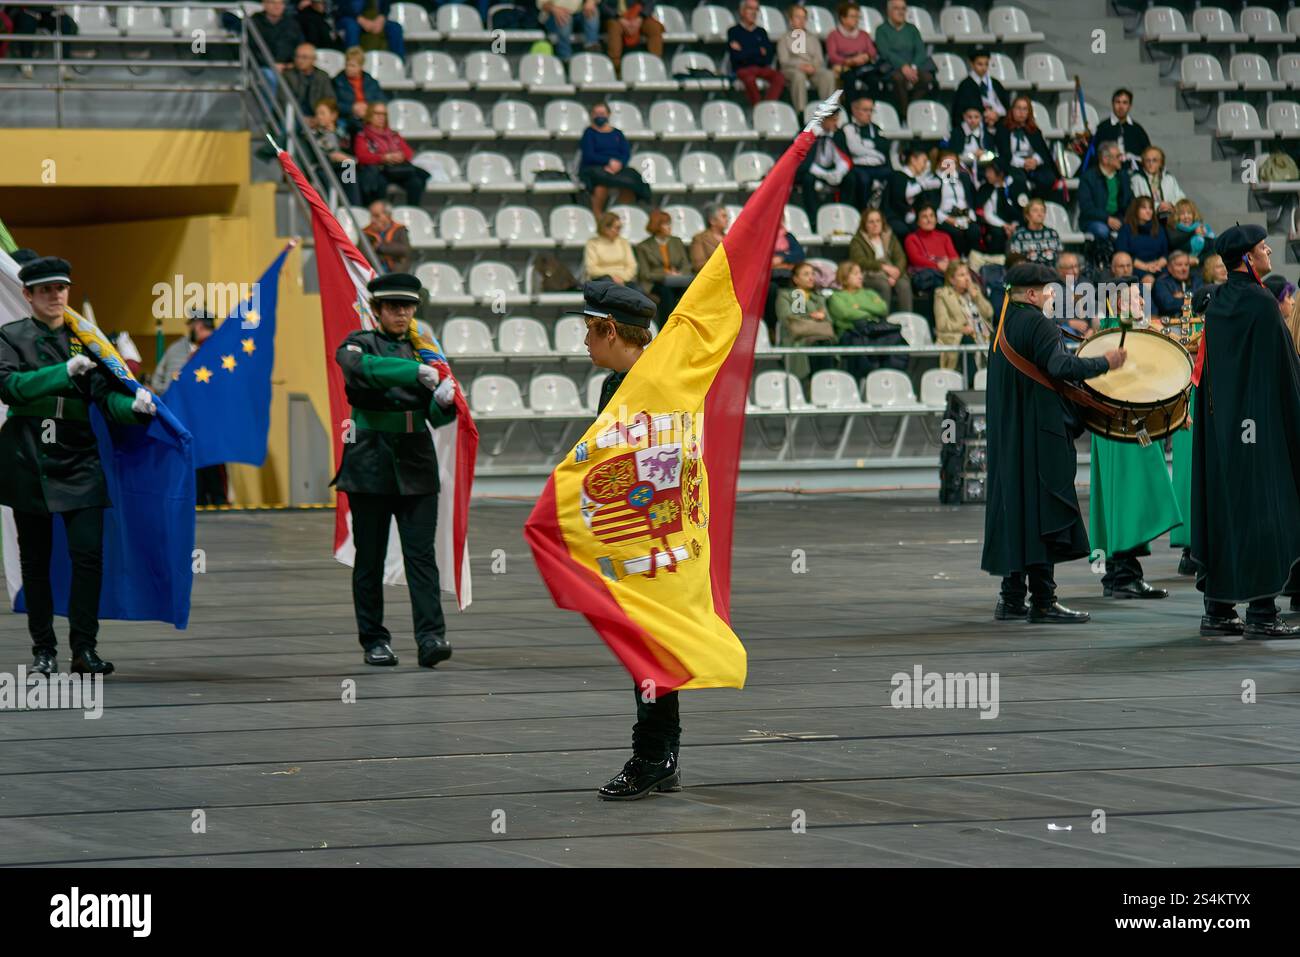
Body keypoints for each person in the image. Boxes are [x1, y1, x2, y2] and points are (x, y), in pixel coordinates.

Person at [0, 257, 159, 677]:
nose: (55, 296)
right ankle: (43, 650)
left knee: (88, 557)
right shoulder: (9, 337)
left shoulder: (87, 340)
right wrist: (61, 372)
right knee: (35, 559)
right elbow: (11, 387)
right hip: (29, 455)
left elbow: (107, 400)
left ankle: (83, 649)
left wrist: (135, 408)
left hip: (78, 455)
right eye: (46, 289)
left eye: (61, 288)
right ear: (28, 294)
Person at [575, 280, 684, 800]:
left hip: (654, 536)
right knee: (646, 648)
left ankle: (652, 756)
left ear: (611, 329)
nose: (584, 342)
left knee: (649, 649)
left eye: (589, 331)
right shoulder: (619, 381)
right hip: (633, 535)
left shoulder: (651, 384)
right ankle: (663, 755)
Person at [981, 261, 1127, 623]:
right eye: (1048, 291)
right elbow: (1060, 368)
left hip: (1013, 435)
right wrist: (1105, 362)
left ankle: (1012, 597)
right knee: (1044, 510)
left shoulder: (1006, 322)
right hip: (1040, 433)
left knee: (1018, 510)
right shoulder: (1037, 322)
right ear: (1031, 294)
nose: (1052, 296)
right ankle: (1043, 601)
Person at [333, 271, 460, 666]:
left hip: (416, 460)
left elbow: (436, 419)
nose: (401, 313)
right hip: (369, 460)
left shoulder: (425, 350)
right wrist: (414, 374)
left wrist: (444, 400)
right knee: (369, 557)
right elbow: (360, 371)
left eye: (407, 307)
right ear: (376, 310)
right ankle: (374, 639)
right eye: (393, 307)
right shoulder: (358, 344)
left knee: (421, 557)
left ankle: (431, 638)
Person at [1190, 225, 1300, 637]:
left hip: (1224, 433)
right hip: (1260, 431)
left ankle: (1217, 611)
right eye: (1262, 247)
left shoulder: (1217, 302)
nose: (1270, 250)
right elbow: (1285, 371)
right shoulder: (1260, 303)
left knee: (1225, 512)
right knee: (1266, 515)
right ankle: (1262, 613)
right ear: (1249, 259)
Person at [1088, 280, 1180, 600]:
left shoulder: (1113, 334)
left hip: (1120, 426)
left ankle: (1120, 573)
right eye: (1136, 300)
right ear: (1117, 303)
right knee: (1131, 496)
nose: (1142, 305)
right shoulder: (1120, 338)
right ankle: (1123, 574)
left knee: (1121, 498)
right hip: (1126, 426)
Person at [827, 260, 903, 375]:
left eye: (860, 273)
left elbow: (882, 309)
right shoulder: (836, 297)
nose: (860, 276)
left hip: (875, 331)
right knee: (858, 342)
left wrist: (859, 307)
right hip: (852, 333)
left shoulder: (870, 293)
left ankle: (890, 376)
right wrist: (870, 312)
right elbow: (845, 313)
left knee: (895, 338)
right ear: (845, 277)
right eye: (856, 274)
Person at [577, 101, 650, 215]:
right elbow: (589, 155)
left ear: (608, 114)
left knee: (630, 185)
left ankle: (621, 215)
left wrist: (619, 164)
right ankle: (600, 220)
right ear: (591, 115)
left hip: (616, 168)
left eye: (602, 113)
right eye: (596, 113)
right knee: (601, 188)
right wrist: (608, 162)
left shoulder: (617, 134)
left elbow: (625, 153)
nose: (599, 116)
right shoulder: (589, 133)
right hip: (594, 168)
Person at [353, 101, 429, 205]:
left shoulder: (393, 134)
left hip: (397, 169)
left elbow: (408, 152)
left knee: (416, 182)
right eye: (377, 114)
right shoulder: (363, 135)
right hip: (379, 171)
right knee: (379, 183)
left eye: (384, 114)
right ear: (370, 115)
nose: (381, 117)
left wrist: (400, 156)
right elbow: (361, 156)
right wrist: (383, 158)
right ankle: (381, 214)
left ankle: (413, 212)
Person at [775, 261, 837, 378]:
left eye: (813, 274)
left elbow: (828, 320)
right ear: (795, 279)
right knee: (816, 345)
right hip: (796, 339)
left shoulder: (818, 297)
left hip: (821, 338)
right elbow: (787, 319)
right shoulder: (787, 295)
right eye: (806, 274)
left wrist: (814, 317)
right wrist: (813, 316)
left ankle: (824, 384)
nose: (811, 277)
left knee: (824, 344)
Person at [848, 207, 913, 313]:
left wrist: (896, 273)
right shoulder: (857, 240)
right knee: (883, 285)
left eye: (878, 221)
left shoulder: (890, 236)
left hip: (892, 271)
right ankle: (883, 322)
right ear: (865, 224)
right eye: (871, 222)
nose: (875, 224)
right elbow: (860, 261)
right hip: (870, 273)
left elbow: (900, 257)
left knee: (904, 284)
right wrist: (883, 267)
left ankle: (906, 319)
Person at [994, 96, 1059, 202]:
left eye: (1025, 109)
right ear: (1012, 110)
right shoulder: (1003, 129)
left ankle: (1037, 204)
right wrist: (1023, 163)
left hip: (1033, 165)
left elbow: (1042, 151)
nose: (1021, 112)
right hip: (1013, 166)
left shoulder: (1033, 130)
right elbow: (1004, 154)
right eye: (1018, 108)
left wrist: (1035, 160)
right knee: (1019, 181)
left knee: (1048, 178)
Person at [873, 0, 934, 111]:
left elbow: (920, 50)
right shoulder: (881, 30)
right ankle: (904, 113)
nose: (901, 12)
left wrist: (914, 67)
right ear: (889, 11)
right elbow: (885, 52)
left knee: (927, 78)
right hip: (892, 67)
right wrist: (903, 66)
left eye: (903, 8)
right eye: (897, 8)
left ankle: (913, 109)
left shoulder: (912, 29)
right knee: (898, 79)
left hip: (913, 66)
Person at [834, 96, 893, 208]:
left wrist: (865, 147)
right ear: (855, 110)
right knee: (863, 179)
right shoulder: (847, 129)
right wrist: (873, 149)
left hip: (878, 166)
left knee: (894, 176)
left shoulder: (876, 129)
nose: (869, 114)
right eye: (865, 110)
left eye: (871, 110)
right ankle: (863, 211)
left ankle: (885, 212)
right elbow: (853, 149)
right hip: (858, 167)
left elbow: (884, 146)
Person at [633, 209, 691, 321]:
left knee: (688, 289)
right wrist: (665, 274)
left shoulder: (676, 241)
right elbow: (645, 274)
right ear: (657, 226)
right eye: (666, 224)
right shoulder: (644, 246)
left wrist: (680, 274)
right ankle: (667, 324)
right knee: (666, 292)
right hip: (655, 283)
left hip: (677, 280)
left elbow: (686, 265)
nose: (670, 227)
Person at [777, 4, 836, 113]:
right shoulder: (784, 38)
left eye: (804, 17)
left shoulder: (813, 38)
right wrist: (799, 66)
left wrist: (813, 67)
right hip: (792, 69)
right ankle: (801, 112)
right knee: (799, 76)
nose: (801, 20)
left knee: (828, 75)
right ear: (791, 19)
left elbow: (819, 59)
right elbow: (783, 61)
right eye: (797, 17)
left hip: (811, 68)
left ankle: (828, 112)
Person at [933, 260, 992, 370]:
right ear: (952, 280)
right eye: (961, 275)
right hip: (957, 337)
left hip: (982, 333)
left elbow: (989, 313)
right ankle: (970, 382)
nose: (967, 278)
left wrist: (977, 297)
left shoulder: (974, 290)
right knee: (968, 340)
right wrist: (962, 328)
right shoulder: (942, 295)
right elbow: (942, 324)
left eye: (967, 274)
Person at [794, 110, 849, 222]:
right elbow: (802, 161)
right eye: (833, 120)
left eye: (837, 119)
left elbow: (843, 157)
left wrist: (839, 172)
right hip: (812, 171)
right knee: (808, 179)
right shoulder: (807, 132)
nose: (836, 124)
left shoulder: (838, 134)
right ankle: (813, 218)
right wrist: (825, 175)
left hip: (830, 170)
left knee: (851, 178)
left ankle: (845, 214)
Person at [728, 0, 785, 107]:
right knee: (749, 78)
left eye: (756, 9)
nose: (754, 12)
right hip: (743, 69)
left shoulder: (761, 32)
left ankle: (766, 107)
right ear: (742, 11)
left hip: (761, 68)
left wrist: (745, 50)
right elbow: (737, 58)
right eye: (750, 8)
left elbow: (767, 58)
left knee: (779, 77)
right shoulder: (733, 31)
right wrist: (758, 51)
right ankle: (758, 108)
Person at [1078, 141, 1133, 243]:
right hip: (1094, 220)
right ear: (1105, 159)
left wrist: (1125, 219)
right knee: (1102, 230)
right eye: (1118, 156)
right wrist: (1107, 218)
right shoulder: (1088, 178)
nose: (1122, 159)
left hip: (1119, 219)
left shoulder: (1123, 176)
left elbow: (1130, 201)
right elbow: (1087, 208)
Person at [824, 1, 879, 102]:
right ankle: (850, 111)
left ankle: (871, 108)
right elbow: (832, 56)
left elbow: (872, 52)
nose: (856, 20)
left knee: (873, 80)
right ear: (843, 18)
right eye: (853, 16)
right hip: (844, 67)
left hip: (862, 66)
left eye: (857, 17)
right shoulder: (833, 35)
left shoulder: (863, 34)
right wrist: (850, 60)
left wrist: (866, 56)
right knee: (849, 79)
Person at [310, 97, 362, 205]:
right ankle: (332, 208)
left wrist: (346, 158)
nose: (319, 117)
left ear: (333, 115)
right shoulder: (313, 134)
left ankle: (353, 207)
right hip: (323, 166)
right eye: (317, 114)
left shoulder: (343, 132)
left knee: (349, 167)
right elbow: (315, 155)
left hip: (342, 165)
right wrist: (331, 157)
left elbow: (350, 152)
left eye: (323, 113)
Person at [883, 144, 940, 238]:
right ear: (913, 160)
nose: (925, 166)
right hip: (894, 216)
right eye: (924, 161)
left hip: (911, 218)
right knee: (904, 231)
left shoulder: (917, 180)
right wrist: (907, 212)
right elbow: (896, 200)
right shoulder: (898, 176)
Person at [332, 45, 387, 138]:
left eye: (353, 66)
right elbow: (333, 104)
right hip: (347, 118)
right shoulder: (337, 82)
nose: (348, 68)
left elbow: (382, 100)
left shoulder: (371, 82)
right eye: (347, 65)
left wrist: (367, 108)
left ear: (361, 67)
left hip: (369, 117)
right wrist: (352, 108)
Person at [975, 159, 1028, 254]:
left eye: (990, 172)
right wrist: (1004, 225)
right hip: (997, 223)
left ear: (1000, 173)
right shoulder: (986, 188)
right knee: (997, 234)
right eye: (986, 171)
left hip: (1017, 222)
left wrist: (1015, 225)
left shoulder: (1017, 185)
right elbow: (988, 213)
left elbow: (1024, 209)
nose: (987, 175)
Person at [1092, 88, 1150, 174]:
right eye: (1118, 102)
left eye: (1125, 103)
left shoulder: (1137, 130)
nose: (1121, 106)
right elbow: (1094, 154)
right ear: (1112, 104)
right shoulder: (1102, 128)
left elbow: (1147, 153)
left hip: (1134, 174)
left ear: (1130, 106)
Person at [932, 150, 978, 255]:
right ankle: (956, 262)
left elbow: (969, 199)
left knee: (974, 231)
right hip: (945, 217)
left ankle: (971, 261)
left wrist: (969, 217)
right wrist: (949, 219)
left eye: (954, 163)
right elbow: (933, 206)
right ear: (940, 163)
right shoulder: (934, 180)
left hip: (964, 216)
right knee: (955, 233)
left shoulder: (963, 177)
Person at [951, 48, 1007, 130]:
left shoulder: (995, 83)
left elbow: (1006, 105)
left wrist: (996, 114)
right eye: (980, 64)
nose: (984, 68)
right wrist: (985, 115)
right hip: (975, 126)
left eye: (986, 64)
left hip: (998, 123)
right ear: (972, 64)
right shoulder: (965, 86)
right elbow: (959, 113)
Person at [903, 205, 957, 289]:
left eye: (932, 216)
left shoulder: (944, 237)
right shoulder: (911, 239)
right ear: (918, 222)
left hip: (947, 272)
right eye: (924, 217)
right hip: (928, 276)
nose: (929, 220)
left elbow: (954, 258)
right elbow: (916, 260)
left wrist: (947, 266)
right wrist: (937, 265)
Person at [1116, 197, 1169, 280]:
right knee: (1148, 279)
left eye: (1151, 208)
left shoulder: (1159, 229)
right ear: (1136, 210)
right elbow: (1123, 254)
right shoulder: (1126, 229)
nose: (1148, 211)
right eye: (1144, 208)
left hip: (1157, 267)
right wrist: (1146, 266)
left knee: (1167, 277)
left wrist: (1157, 265)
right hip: (1136, 267)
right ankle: (1142, 293)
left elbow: (1166, 254)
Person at [601, 2, 663, 72]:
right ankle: (616, 68)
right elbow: (603, 6)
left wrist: (640, 18)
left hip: (639, 17)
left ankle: (655, 65)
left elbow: (649, 3)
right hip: (614, 18)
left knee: (654, 27)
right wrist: (619, 18)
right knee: (614, 28)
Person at [336, 0, 405, 60]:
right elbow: (343, 6)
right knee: (352, 27)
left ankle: (399, 64)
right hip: (351, 17)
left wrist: (381, 18)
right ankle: (353, 62)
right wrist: (361, 20)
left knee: (395, 28)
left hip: (375, 18)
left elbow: (386, 5)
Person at [1130, 146, 1184, 221]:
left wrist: (1170, 204)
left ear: (1161, 163)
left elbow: (1181, 197)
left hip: (1170, 216)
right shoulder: (1137, 179)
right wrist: (1159, 207)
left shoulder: (1169, 178)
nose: (1151, 163)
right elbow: (1138, 201)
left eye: (1154, 160)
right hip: (1148, 219)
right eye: (1147, 160)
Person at [584, 211, 638, 284]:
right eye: (617, 228)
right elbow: (591, 268)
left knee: (639, 291)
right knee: (610, 286)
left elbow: (632, 265)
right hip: (602, 279)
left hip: (624, 279)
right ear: (605, 228)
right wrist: (612, 276)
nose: (619, 231)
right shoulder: (592, 243)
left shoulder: (623, 242)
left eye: (620, 227)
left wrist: (623, 278)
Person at [284, 43, 335, 119]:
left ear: (313, 59)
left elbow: (330, 99)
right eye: (297, 57)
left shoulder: (323, 76)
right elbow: (283, 101)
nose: (299, 60)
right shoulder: (288, 76)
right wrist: (301, 119)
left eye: (304, 57)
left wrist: (319, 118)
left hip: (318, 117)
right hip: (295, 118)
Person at [1007, 197, 1062, 268]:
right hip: (1028, 274)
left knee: (1070, 267)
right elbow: (1015, 261)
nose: (1040, 214)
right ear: (1027, 216)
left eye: (1042, 211)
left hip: (1051, 273)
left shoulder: (1053, 234)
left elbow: (1061, 256)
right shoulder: (1019, 235)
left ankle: (1071, 280)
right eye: (1035, 211)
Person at [251, 0, 305, 70]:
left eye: (281, 3)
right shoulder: (254, 23)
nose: (277, 6)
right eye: (273, 3)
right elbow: (252, 49)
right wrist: (271, 65)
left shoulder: (292, 24)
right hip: (262, 67)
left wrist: (290, 65)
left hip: (289, 66)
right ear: (264, 4)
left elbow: (301, 46)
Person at [363, 199, 413, 274]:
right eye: (371, 216)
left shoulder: (399, 229)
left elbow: (404, 250)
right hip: (373, 275)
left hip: (396, 274)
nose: (372, 220)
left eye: (377, 216)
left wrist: (380, 247)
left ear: (388, 216)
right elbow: (364, 254)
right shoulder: (365, 232)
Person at [1152, 250, 1202, 318]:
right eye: (1179, 265)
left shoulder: (1196, 280)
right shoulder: (1161, 283)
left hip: (1195, 322)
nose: (1184, 268)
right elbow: (1168, 305)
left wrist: (1181, 297)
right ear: (1169, 268)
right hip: (1171, 324)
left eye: (1186, 265)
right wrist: (1190, 299)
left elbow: (1201, 301)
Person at [1167, 198, 1214, 264]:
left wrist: (1197, 260)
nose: (1186, 216)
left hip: (1201, 264)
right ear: (1177, 216)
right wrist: (1193, 232)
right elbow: (1175, 245)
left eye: (1189, 213)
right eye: (1182, 214)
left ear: (1194, 214)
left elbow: (1214, 249)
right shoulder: (1173, 230)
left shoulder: (1203, 228)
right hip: (1180, 266)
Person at [690, 204, 729, 272]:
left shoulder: (730, 239)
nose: (727, 219)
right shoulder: (699, 239)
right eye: (723, 216)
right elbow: (698, 265)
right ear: (712, 221)